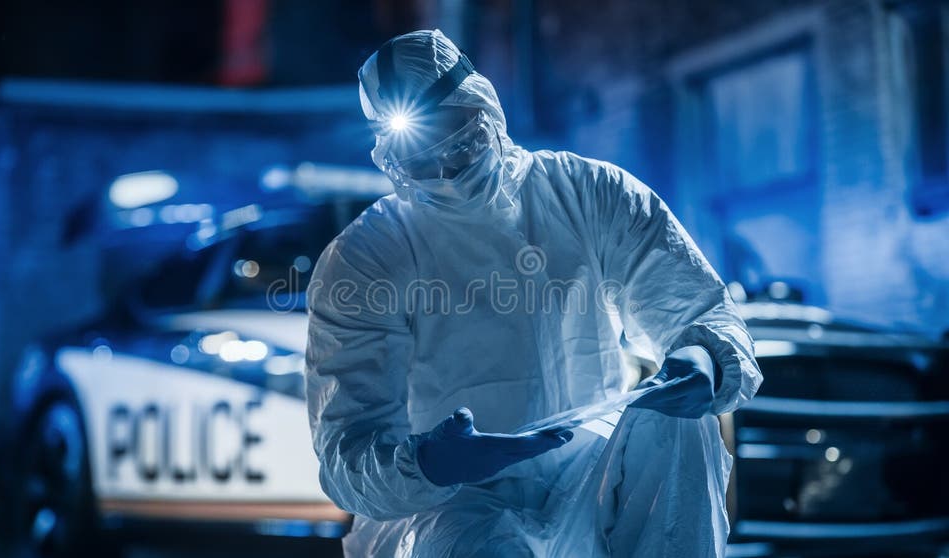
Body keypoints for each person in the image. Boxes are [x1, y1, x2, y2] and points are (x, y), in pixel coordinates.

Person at [305, 29, 762, 557]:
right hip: (449, 506)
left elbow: (697, 308)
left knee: (680, 426)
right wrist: (430, 463)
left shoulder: (589, 195)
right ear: (392, 157)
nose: (450, 170)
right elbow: (347, 449)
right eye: (424, 158)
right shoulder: (367, 259)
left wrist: (702, 355)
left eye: (461, 139)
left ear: (486, 109)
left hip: (590, 469)